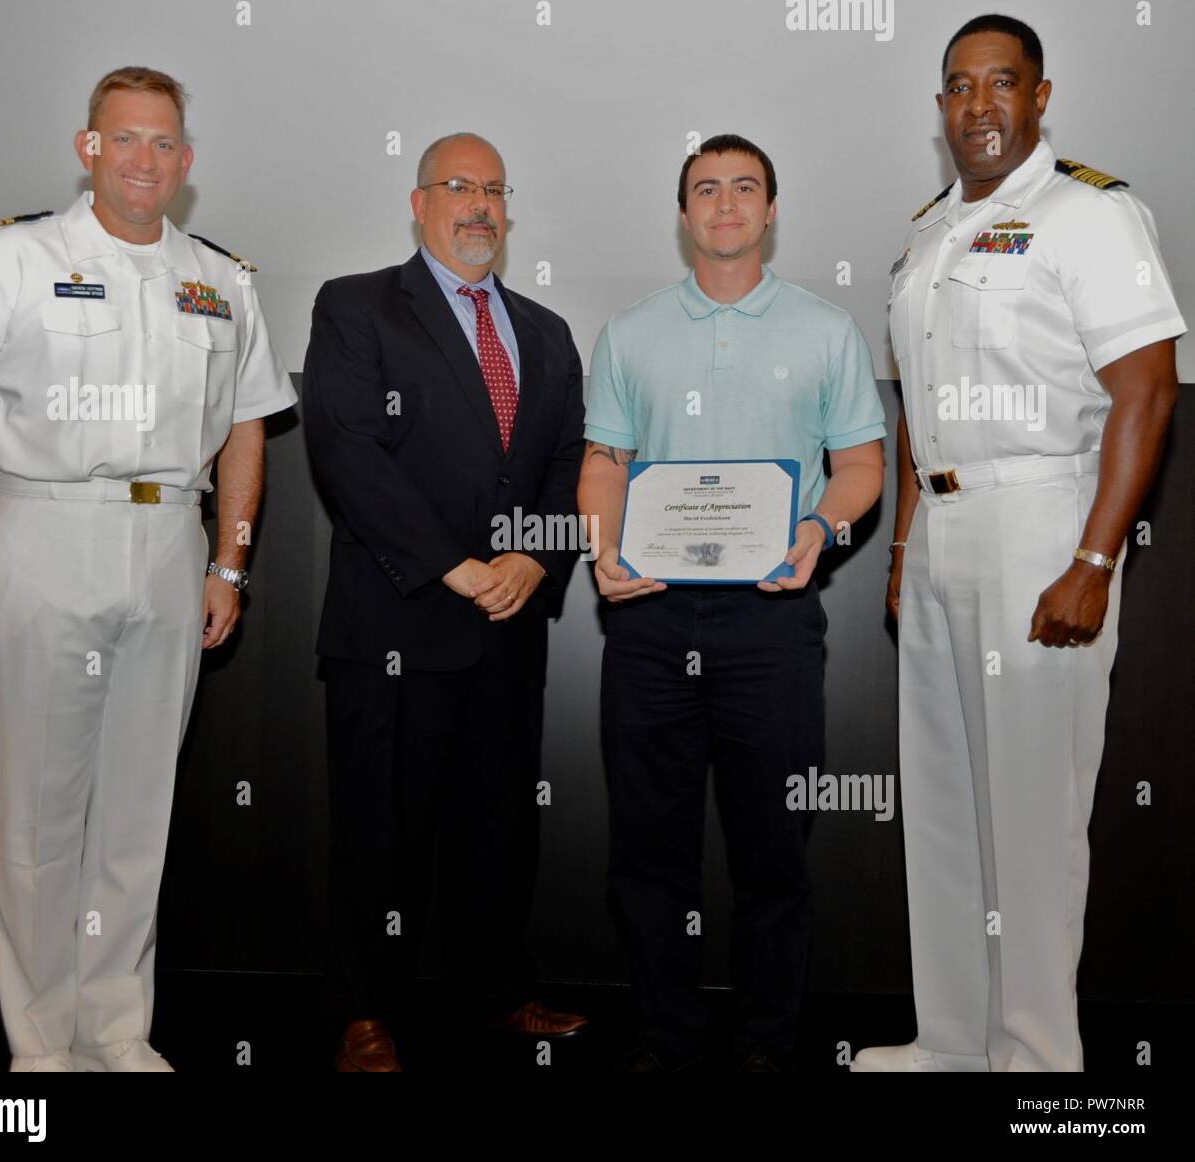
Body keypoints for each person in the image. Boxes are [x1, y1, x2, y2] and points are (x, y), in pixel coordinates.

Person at [0, 67, 296, 1072]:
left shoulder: (219, 278)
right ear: (88, 147)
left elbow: (248, 426)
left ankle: (115, 1029)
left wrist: (231, 567)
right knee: (38, 812)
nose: (145, 160)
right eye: (126, 139)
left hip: (169, 546)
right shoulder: (17, 256)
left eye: (163, 143)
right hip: (42, 536)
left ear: (187, 160)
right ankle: (40, 1045)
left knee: (134, 816)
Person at [855, 15, 1185, 1073]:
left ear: (1039, 98)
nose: (977, 104)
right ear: (940, 105)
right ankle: (952, 1040)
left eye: (1002, 83)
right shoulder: (927, 231)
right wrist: (904, 550)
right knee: (948, 807)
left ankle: (1036, 1063)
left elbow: (1143, 389)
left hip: (1043, 521)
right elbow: (917, 405)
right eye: (957, 86)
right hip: (943, 526)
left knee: (1034, 820)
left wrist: (1093, 561)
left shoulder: (1089, 212)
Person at [578, 134, 885, 1071]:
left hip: (773, 613)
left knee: (773, 855)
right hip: (650, 617)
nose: (724, 204)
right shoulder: (629, 332)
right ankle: (666, 1039)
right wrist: (600, 543)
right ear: (683, 215)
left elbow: (863, 466)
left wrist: (820, 531)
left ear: (771, 210)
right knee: (648, 850)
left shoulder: (827, 328)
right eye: (705, 189)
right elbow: (605, 461)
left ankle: (764, 1049)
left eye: (744, 188)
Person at [302, 132, 588, 1072]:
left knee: (499, 828)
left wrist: (536, 563)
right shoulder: (357, 307)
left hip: (509, 629)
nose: (479, 205)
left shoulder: (545, 332)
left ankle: (496, 994)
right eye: (458, 186)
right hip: (395, 624)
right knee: (381, 832)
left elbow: (561, 468)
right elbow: (348, 455)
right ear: (417, 202)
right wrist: (456, 567)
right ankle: (366, 1012)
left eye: (495, 190)